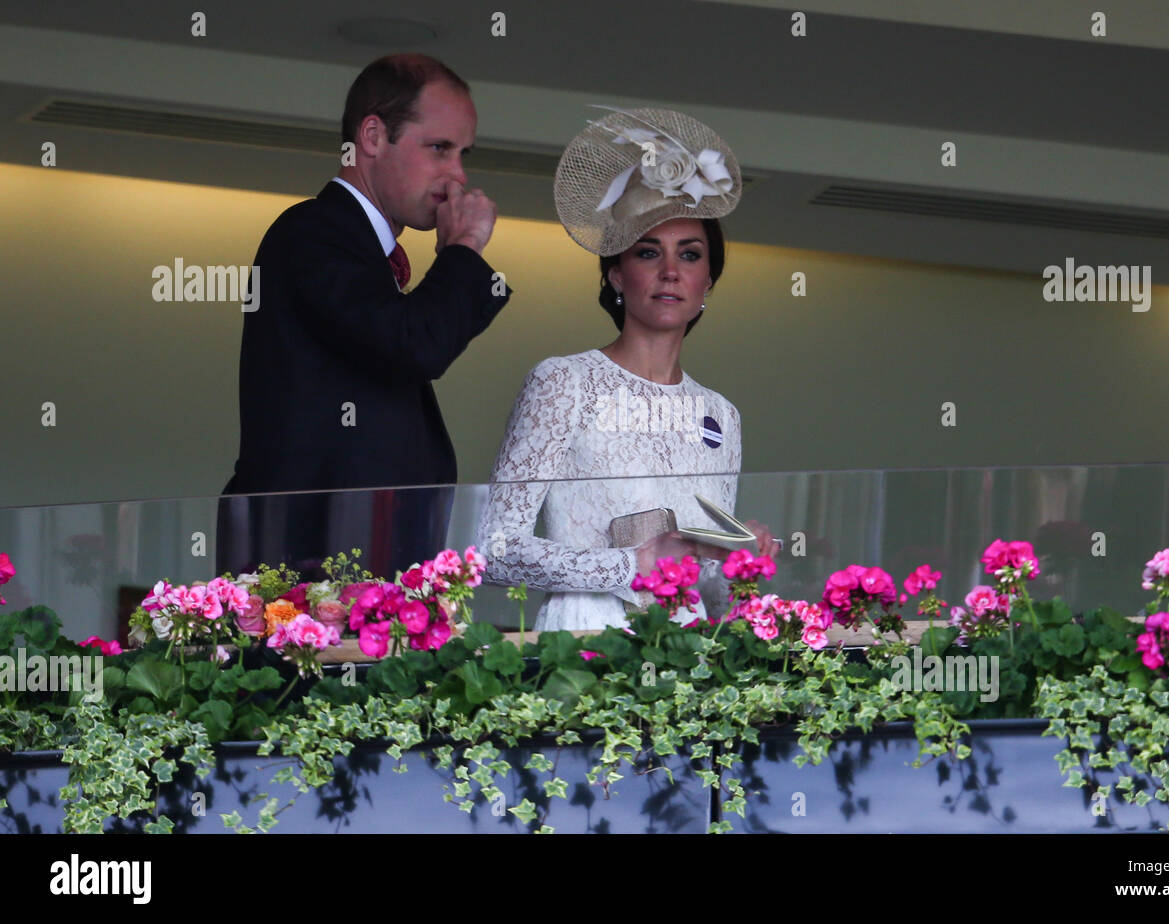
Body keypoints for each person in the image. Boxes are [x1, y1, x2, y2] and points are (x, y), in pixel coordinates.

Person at [477, 107, 778, 631]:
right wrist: (631, 565)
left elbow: (705, 584)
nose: (669, 272)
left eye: (689, 255)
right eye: (647, 253)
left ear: (708, 281)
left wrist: (737, 557)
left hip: (686, 649)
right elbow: (496, 550)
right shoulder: (563, 381)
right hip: (584, 638)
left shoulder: (720, 415)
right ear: (616, 273)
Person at [217, 54, 511, 580]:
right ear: (372, 136)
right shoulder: (312, 230)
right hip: (307, 569)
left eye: (463, 153)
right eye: (439, 148)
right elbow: (414, 345)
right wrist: (464, 248)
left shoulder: (358, 249)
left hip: (359, 555)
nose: (458, 175)